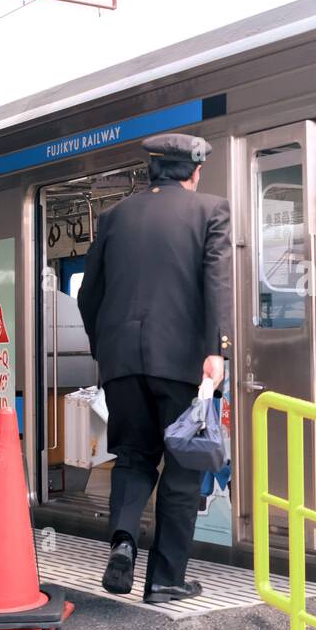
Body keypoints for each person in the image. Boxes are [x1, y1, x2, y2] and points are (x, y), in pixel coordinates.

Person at [78, 133, 232, 603]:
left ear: (153, 171)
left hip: (122, 363)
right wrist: (217, 350)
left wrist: (106, 349)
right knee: (183, 467)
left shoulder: (113, 217)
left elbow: (89, 295)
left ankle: (123, 541)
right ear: (194, 171)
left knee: (132, 456)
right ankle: (165, 579)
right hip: (183, 364)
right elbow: (216, 285)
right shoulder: (212, 211)